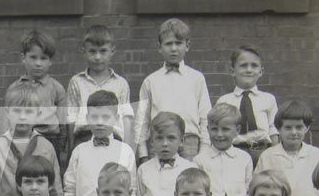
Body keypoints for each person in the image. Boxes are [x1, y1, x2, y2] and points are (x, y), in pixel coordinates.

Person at [133, 18, 211, 163]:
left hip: (190, 144)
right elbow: (142, 121)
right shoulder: (151, 81)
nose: (174, 48)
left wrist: (204, 151)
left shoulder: (197, 78)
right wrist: (143, 154)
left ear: (187, 45)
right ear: (159, 47)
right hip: (159, 143)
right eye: (169, 44)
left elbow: (205, 117)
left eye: (178, 43)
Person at [0, 85, 63, 196]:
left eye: (28, 112)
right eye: (17, 111)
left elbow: (55, 188)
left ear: (38, 114)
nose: (22, 117)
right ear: (7, 112)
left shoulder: (46, 146)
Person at [64, 90, 137, 196]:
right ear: (87, 118)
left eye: (105, 117)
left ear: (116, 118)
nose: (99, 122)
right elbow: (70, 188)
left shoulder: (125, 152)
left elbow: (132, 193)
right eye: (94, 117)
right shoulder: (79, 151)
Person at [67, 24, 134, 153]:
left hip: (113, 139)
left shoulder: (121, 84)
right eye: (92, 51)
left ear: (112, 51)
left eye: (103, 51)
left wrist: (127, 148)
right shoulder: (76, 82)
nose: (97, 57)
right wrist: (71, 148)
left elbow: (126, 117)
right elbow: (71, 117)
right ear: (84, 51)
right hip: (84, 138)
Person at [254, 100, 319, 196]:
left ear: (306, 128)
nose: (293, 132)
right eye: (288, 127)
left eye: (298, 127)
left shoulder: (315, 154)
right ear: (278, 129)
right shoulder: (268, 156)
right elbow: (257, 188)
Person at [7, 29, 67, 166]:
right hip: (22, 137)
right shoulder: (14, 89)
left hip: (50, 138)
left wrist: (62, 148)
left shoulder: (56, 88)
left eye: (43, 58)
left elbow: (63, 121)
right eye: (33, 57)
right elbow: (8, 118)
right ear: (23, 57)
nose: (38, 63)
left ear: (50, 61)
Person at [193, 103, 254, 196]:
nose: (219, 134)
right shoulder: (200, 160)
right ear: (208, 129)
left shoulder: (244, 158)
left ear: (237, 130)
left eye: (225, 129)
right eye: (214, 129)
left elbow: (249, 187)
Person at [216, 44, 279, 166]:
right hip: (234, 152)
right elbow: (219, 131)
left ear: (260, 72)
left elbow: (273, 129)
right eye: (243, 65)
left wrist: (274, 156)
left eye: (254, 66)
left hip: (262, 151)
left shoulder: (268, 99)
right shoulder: (224, 100)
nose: (249, 70)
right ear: (232, 71)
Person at [136, 111, 197, 196]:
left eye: (171, 138)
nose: (165, 144)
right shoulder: (144, 169)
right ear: (152, 141)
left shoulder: (190, 169)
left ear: (181, 141)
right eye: (159, 138)